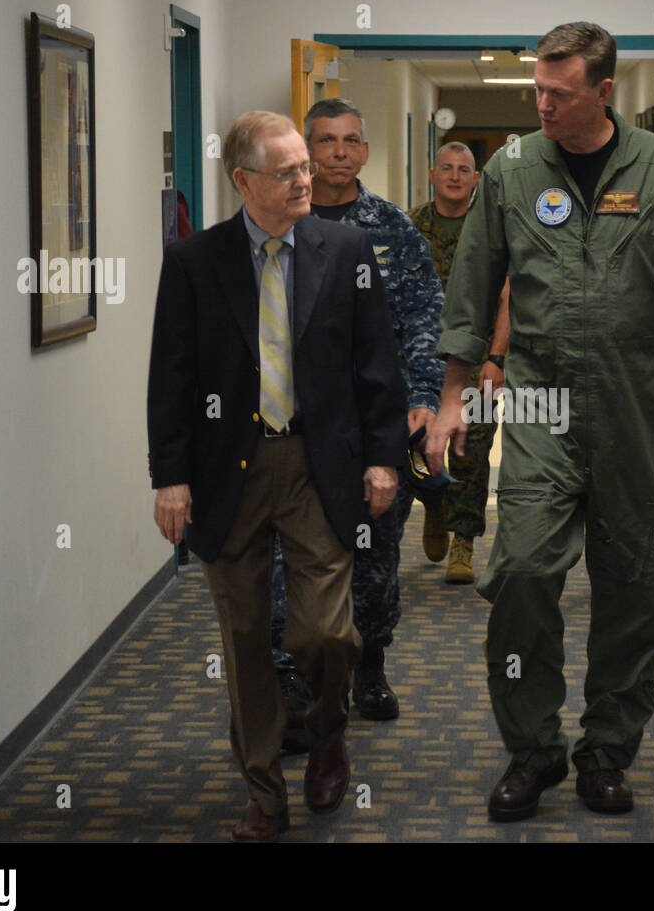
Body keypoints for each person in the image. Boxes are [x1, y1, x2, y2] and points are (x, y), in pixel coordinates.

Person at [427, 22, 654, 821]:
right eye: (537, 89)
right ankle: (532, 751)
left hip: (634, 404)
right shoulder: (511, 171)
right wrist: (454, 393)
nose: (542, 106)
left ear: (604, 92)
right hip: (539, 402)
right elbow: (473, 284)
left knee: (634, 584)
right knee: (525, 571)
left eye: (558, 95)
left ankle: (606, 752)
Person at [147, 110, 406, 840]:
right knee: (245, 638)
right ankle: (264, 794)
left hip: (317, 464)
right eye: (289, 169)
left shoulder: (345, 247)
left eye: (306, 164)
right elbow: (171, 379)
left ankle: (327, 731)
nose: (308, 177)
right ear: (243, 181)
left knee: (326, 634)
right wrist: (170, 477)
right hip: (227, 470)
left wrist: (385, 458)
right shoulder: (196, 263)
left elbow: (376, 365)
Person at [267, 97, 444, 727]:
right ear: (305, 152)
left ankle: (370, 666)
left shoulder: (392, 227)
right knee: (291, 558)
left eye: (350, 140)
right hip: (292, 425)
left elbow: (426, 317)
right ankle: (290, 677)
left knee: (373, 556)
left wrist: (425, 399)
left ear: (364, 150)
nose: (338, 152)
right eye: (325, 141)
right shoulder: (276, 223)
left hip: (375, 426)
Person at [408, 142, 511, 584]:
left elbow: (509, 294)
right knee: (416, 442)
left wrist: (496, 359)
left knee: (474, 450)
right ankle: (434, 500)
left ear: (475, 179)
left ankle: (464, 540)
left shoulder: (490, 226)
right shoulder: (410, 227)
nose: (454, 176)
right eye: (446, 169)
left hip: (477, 356)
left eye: (464, 169)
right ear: (432, 175)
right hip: (422, 357)